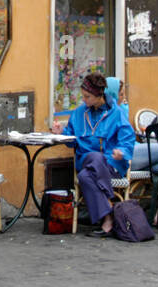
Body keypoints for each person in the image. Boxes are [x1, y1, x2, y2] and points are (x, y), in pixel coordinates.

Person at [50, 71, 136, 238]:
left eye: (88, 96)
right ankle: (110, 204)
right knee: (93, 157)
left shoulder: (116, 113)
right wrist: (61, 133)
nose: (84, 100)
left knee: (85, 176)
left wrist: (122, 152)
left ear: (99, 96)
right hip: (86, 160)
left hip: (110, 164)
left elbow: (128, 138)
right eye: (83, 96)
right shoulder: (78, 113)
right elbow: (71, 139)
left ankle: (107, 220)